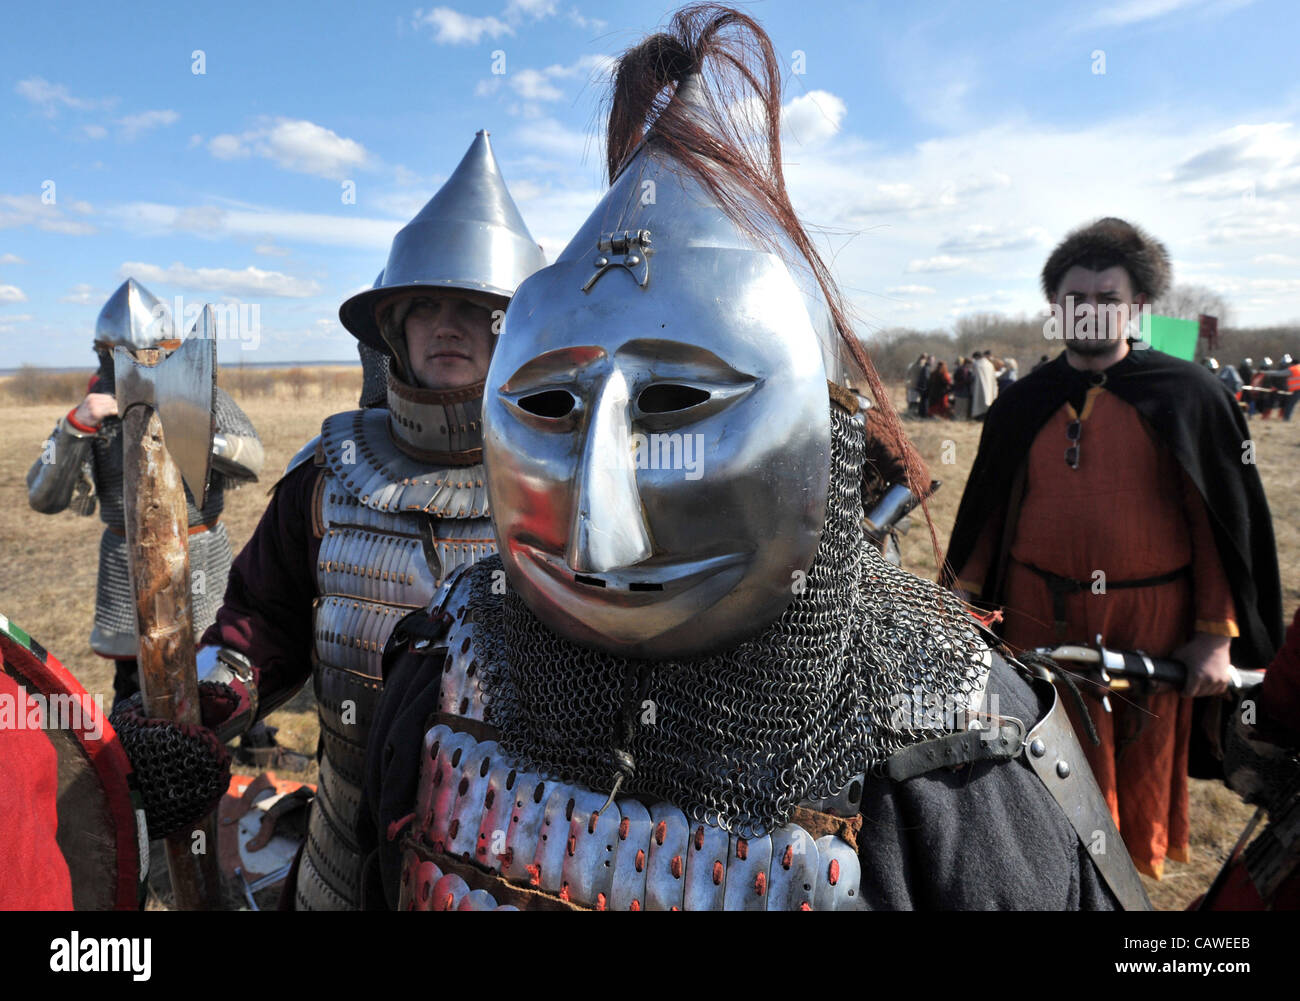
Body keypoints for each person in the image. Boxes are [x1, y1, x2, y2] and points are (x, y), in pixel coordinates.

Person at [359, 7, 1145, 912]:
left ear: (820, 427)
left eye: (676, 403)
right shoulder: (454, 648)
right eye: (549, 406)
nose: (596, 534)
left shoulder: (947, 723)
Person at [110, 132, 546, 911]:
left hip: (509, 850)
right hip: (344, 842)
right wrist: (200, 705)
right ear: (393, 333)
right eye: (427, 307)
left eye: (473, 309)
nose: (447, 325)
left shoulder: (563, 483)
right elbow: (259, 620)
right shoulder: (330, 474)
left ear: (510, 329)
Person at [943, 216, 1283, 879]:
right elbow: (985, 520)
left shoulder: (1189, 396)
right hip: (1039, 618)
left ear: (1138, 309)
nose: (1091, 313)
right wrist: (958, 612)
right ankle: (1048, 879)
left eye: (1108, 299)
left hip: (1151, 629)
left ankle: (1122, 893)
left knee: (1138, 773)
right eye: (1077, 299)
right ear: (1055, 308)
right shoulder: (1022, 404)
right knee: (1038, 764)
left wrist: (1215, 636)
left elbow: (1217, 529)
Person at [26, 279, 264, 709]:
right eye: (124, 359)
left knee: (221, 675)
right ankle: (137, 769)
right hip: (128, 561)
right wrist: (75, 425)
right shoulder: (94, 408)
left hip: (200, 552)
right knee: (136, 690)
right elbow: (42, 495)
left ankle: (251, 740)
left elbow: (253, 459)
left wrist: (184, 422)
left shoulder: (203, 395)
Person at [970, 349, 998, 420]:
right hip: (989, 387)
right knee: (988, 401)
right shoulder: (990, 364)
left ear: (976, 357)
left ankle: (979, 417)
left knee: (979, 403)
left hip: (978, 387)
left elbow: (973, 375)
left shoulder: (977, 364)